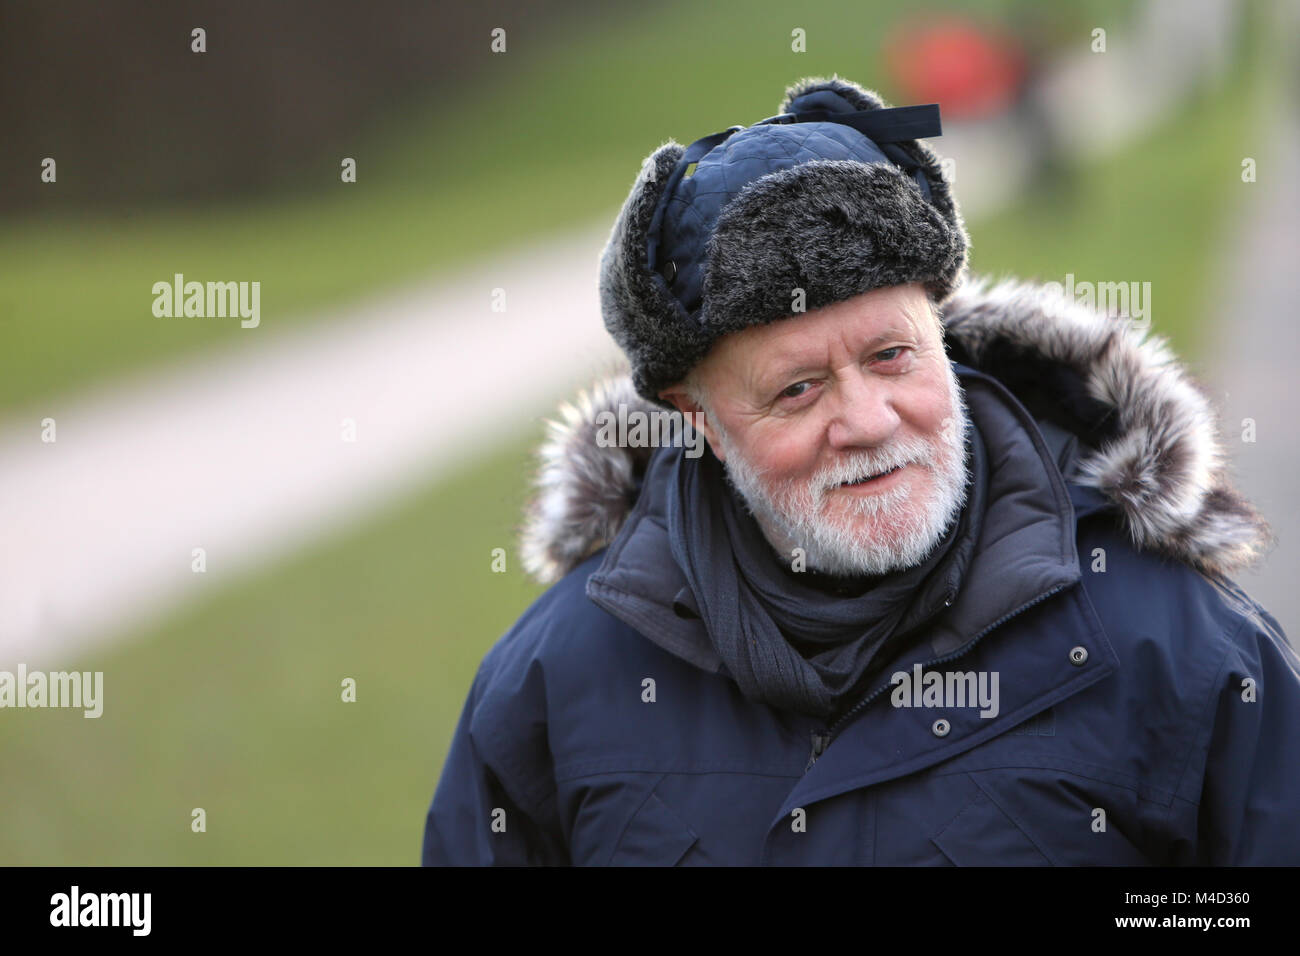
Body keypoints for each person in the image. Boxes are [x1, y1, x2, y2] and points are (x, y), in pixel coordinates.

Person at [421, 75, 1299, 866]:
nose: (868, 423)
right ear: (703, 423)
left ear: (943, 340)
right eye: (798, 390)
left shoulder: (1177, 646)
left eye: (891, 356)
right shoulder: (556, 687)